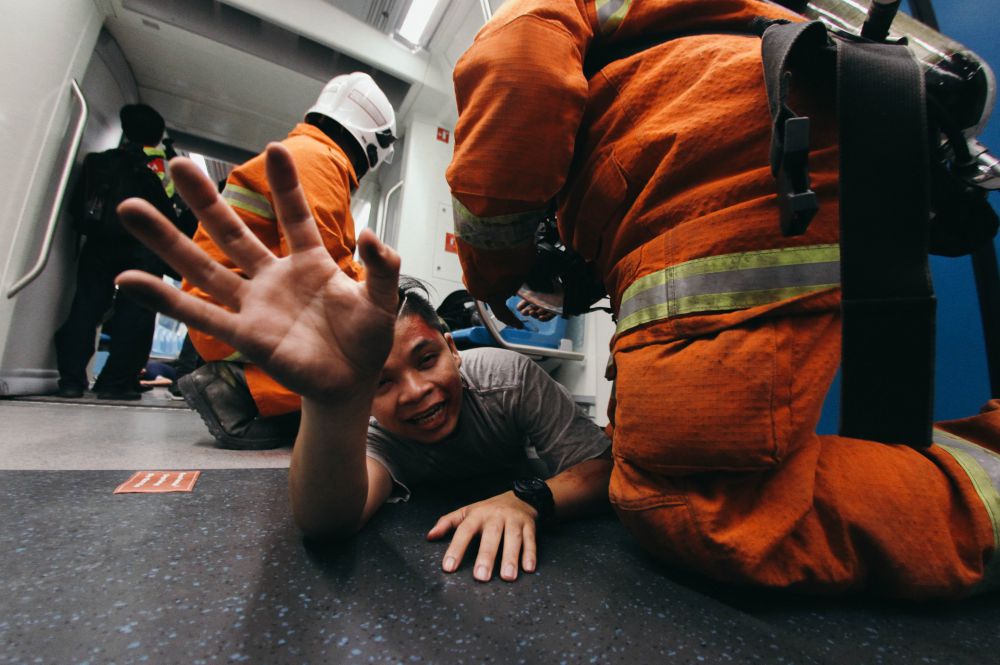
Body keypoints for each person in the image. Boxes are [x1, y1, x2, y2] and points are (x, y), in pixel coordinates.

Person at [444, 0, 1000, 598]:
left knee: (698, 500)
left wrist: (493, 271)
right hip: (771, 131)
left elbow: (518, 57)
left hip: (709, 154)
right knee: (659, 442)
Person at [115, 144, 613, 582]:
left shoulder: (507, 379)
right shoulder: (376, 432)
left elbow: (598, 466)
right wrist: (330, 402)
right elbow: (330, 520)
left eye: (427, 358)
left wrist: (525, 498)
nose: (416, 391)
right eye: (380, 382)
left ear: (452, 347)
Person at [177, 72, 397, 451]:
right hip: (245, 319)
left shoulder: (305, 152)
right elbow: (325, 273)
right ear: (371, 144)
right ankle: (239, 392)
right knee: (363, 358)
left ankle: (249, 389)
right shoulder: (319, 161)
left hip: (229, 313)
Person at [54, 103, 178, 400]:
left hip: (99, 245)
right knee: (135, 316)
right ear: (155, 135)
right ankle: (114, 383)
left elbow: (76, 207)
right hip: (141, 251)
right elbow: (166, 218)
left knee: (86, 308)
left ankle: (71, 380)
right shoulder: (151, 174)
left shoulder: (98, 162)